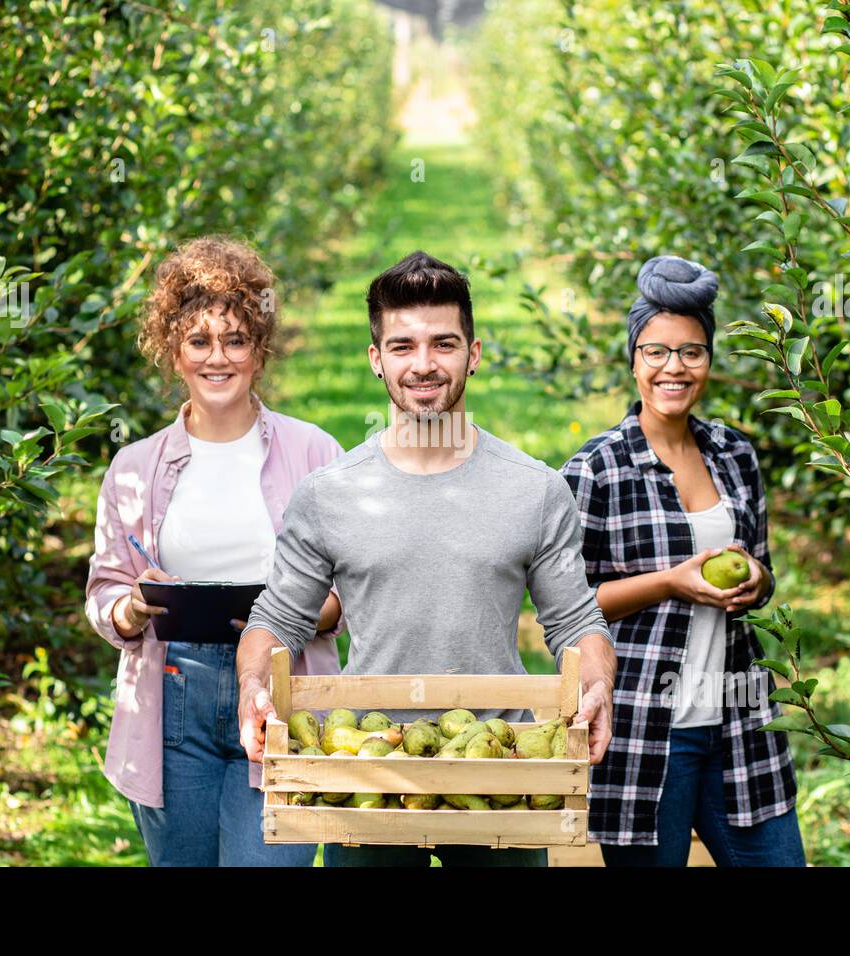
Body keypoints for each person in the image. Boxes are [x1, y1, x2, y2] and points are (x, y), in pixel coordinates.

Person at [235, 250, 617, 867]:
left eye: (443, 344)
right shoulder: (329, 495)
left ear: (474, 353)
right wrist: (254, 684)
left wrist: (596, 685)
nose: (423, 365)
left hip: (501, 769)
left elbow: (576, 623)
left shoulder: (534, 489)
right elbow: (276, 620)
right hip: (368, 775)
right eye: (403, 346)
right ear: (376, 360)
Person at [84, 235, 345, 866]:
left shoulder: (315, 454)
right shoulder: (134, 467)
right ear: (175, 352)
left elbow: (354, 589)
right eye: (199, 341)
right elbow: (105, 589)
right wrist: (129, 611)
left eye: (235, 340)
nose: (217, 358)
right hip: (172, 698)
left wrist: (301, 615)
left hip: (284, 694)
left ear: (259, 351)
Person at [561, 254, 805, 867]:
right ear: (634, 360)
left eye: (691, 352)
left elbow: (766, 572)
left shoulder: (734, 453)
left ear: (710, 360)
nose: (674, 368)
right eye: (656, 352)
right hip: (645, 729)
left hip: (740, 725)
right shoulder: (595, 469)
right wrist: (671, 583)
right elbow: (567, 611)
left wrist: (757, 581)